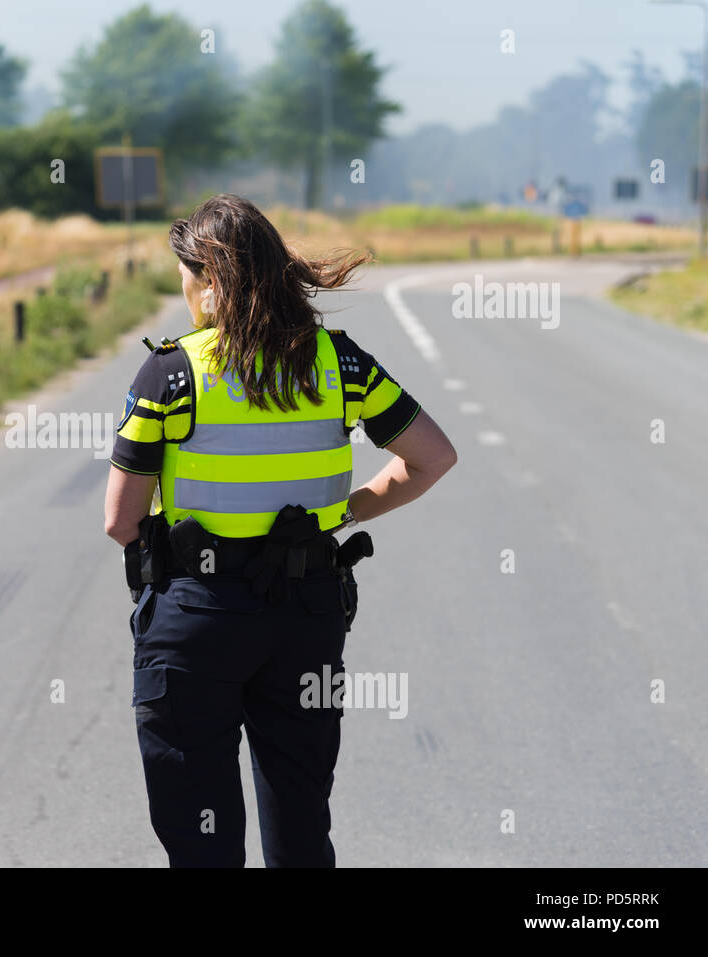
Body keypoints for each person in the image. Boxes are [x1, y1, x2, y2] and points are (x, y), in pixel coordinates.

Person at [104, 194, 457, 868]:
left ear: (210, 280)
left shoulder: (170, 373)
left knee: (201, 840)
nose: (184, 292)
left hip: (197, 622)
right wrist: (341, 514)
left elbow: (121, 521)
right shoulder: (340, 363)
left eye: (186, 277)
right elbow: (432, 458)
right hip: (306, 617)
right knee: (300, 827)